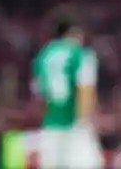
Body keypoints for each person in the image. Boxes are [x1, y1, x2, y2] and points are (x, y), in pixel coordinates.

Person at [31, 11, 103, 169]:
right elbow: (85, 90)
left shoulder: (42, 57)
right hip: (75, 126)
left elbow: (39, 98)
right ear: (75, 31)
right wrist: (84, 121)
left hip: (50, 127)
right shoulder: (81, 55)